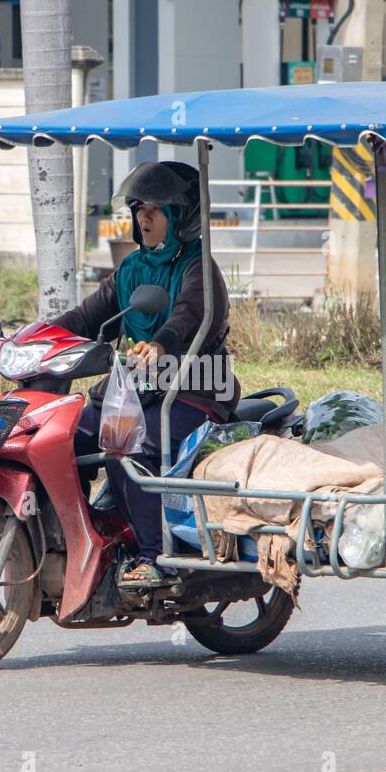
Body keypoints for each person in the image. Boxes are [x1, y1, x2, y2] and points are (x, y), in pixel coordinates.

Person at [52, 160, 240, 589]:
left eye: (157, 209)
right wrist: (30, 337)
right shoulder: (132, 269)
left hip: (195, 390)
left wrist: (160, 345)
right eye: (139, 208)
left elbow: (190, 318)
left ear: (181, 217)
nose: (144, 217)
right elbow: (85, 317)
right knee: (63, 434)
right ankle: (82, 535)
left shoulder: (200, 269)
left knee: (127, 445)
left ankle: (158, 559)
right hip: (134, 393)